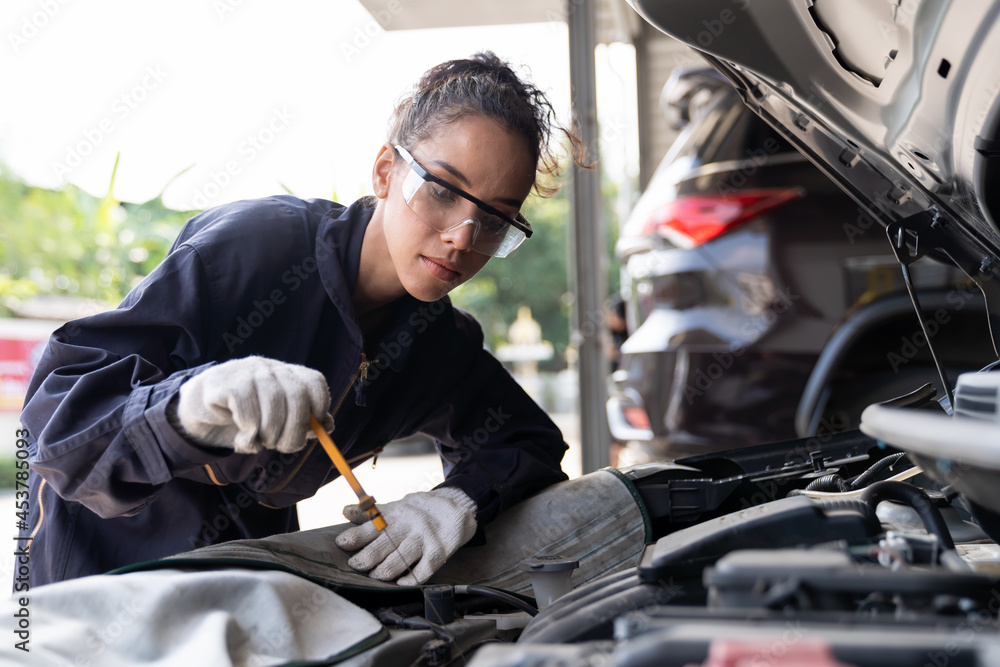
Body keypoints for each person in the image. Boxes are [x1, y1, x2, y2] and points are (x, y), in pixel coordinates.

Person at [18, 52, 584, 588]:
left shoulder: (435, 343)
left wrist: (457, 502)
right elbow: (58, 429)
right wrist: (183, 407)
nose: (462, 236)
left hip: (245, 579)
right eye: (440, 190)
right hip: (99, 573)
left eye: (494, 220)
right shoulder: (250, 249)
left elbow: (526, 441)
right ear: (385, 171)